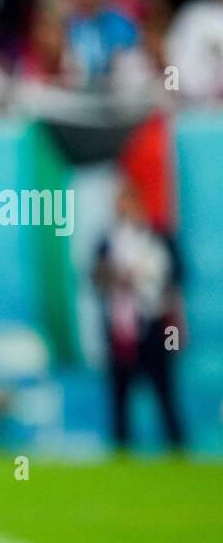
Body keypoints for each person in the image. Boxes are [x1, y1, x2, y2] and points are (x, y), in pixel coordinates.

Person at [93, 186, 187, 452]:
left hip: (159, 325)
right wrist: (116, 277)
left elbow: (178, 277)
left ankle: (177, 449)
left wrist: (145, 278)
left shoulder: (159, 238)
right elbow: (95, 279)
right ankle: (121, 450)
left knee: (166, 390)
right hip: (121, 328)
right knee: (120, 396)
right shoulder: (107, 241)